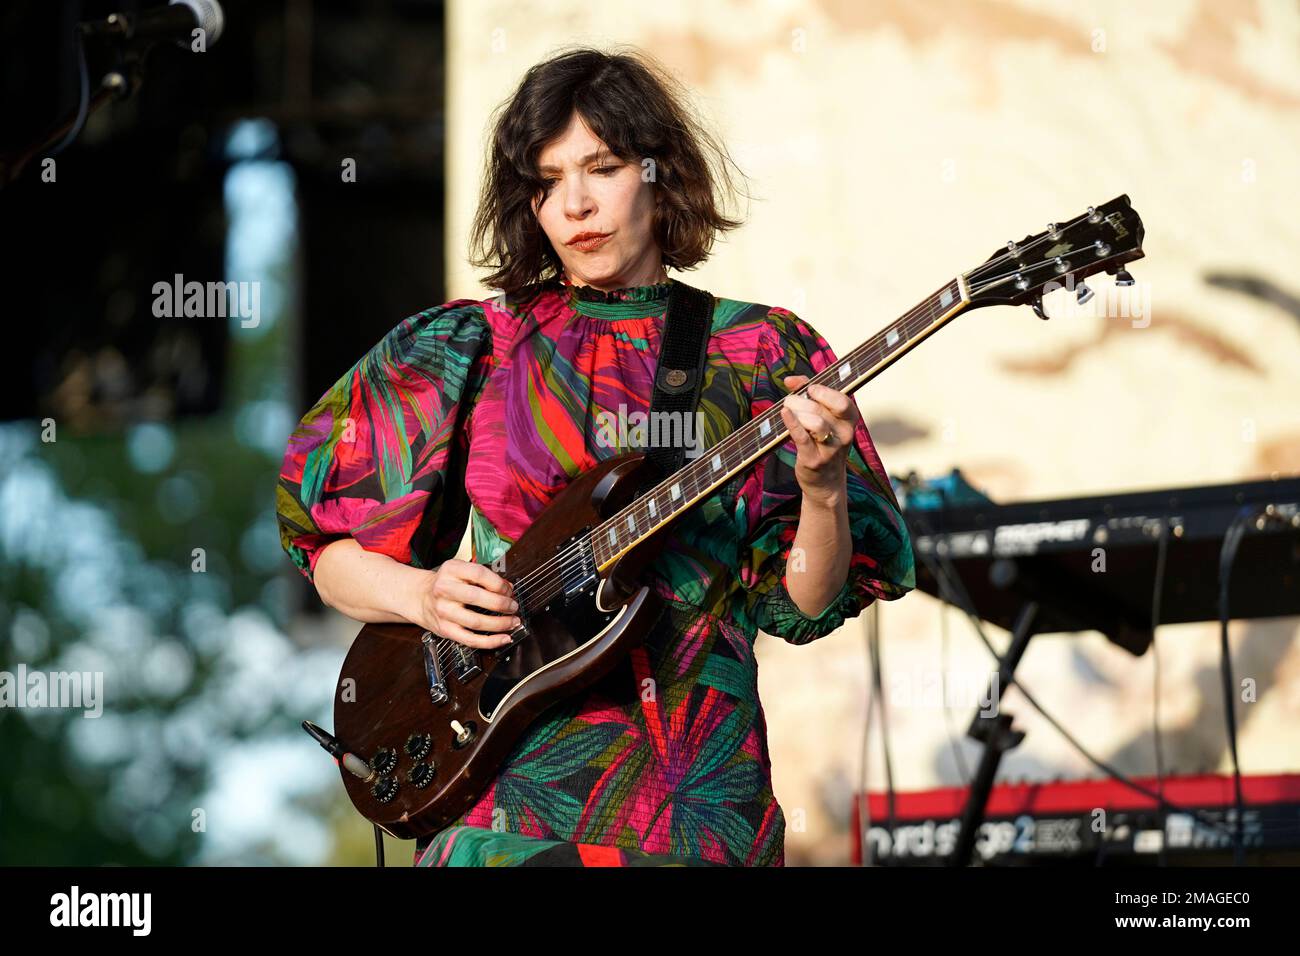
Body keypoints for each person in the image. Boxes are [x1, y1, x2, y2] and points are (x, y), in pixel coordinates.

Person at [275, 46, 914, 867]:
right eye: (545, 180)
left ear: (657, 173)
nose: (575, 203)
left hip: (699, 810)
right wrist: (423, 593)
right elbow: (322, 550)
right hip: (504, 810)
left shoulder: (758, 350)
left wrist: (823, 490)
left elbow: (806, 604)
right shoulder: (476, 347)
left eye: (602, 167)